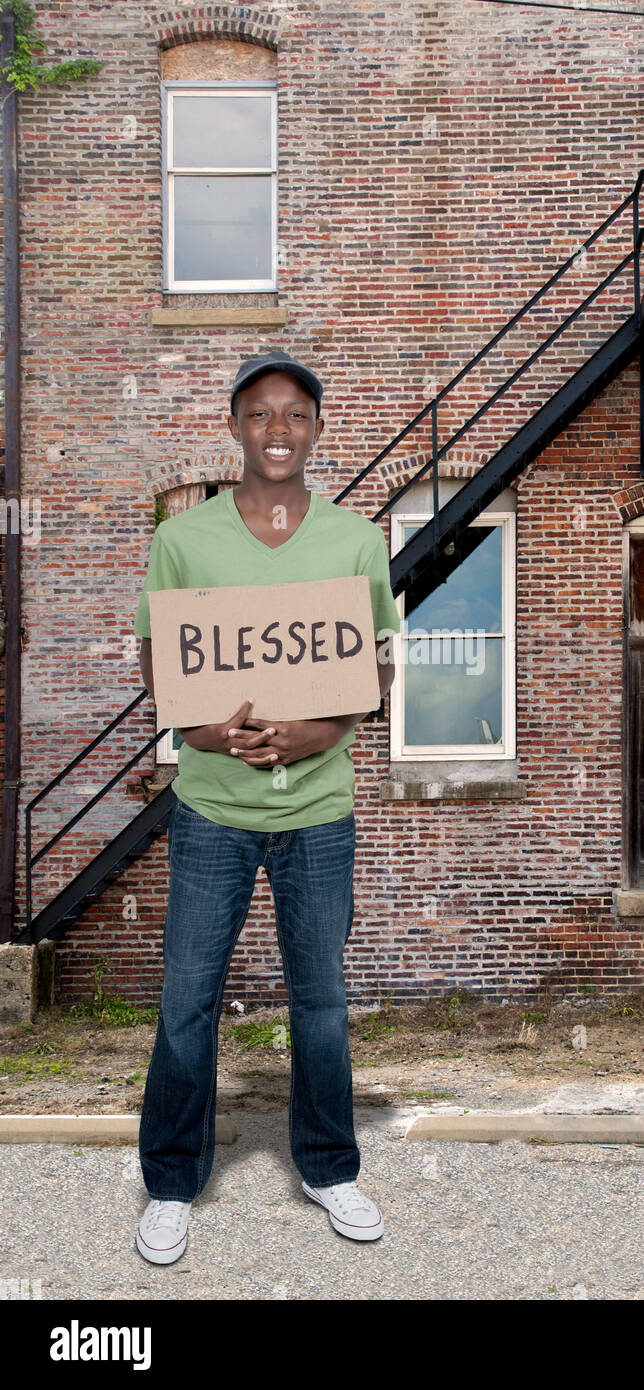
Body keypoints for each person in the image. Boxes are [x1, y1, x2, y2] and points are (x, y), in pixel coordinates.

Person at [132, 350, 400, 1263]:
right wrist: (208, 735)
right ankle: (171, 1182)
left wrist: (318, 733)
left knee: (319, 999)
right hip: (212, 809)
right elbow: (159, 666)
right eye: (258, 413)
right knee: (186, 1000)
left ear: (317, 428)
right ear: (234, 426)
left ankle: (329, 1168)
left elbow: (379, 665)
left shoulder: (358, 540)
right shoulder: (185, 539)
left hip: (318, 810)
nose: (277, 429)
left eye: (295, 414)